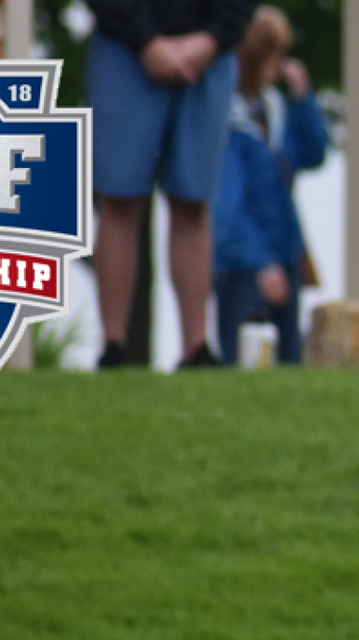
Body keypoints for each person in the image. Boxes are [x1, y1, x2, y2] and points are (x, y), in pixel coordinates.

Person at [85, 0, 254, 370]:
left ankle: (196, 347)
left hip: (211, 53)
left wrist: (210, 40)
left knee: (193, 200)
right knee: (119, 199)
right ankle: (113, 345)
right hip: (124, 48)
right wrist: (146, 41)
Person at [211, 5, 329, 366]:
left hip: (285, 254)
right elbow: (226, 209)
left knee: (288, 357)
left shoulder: (274, 111)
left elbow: (312, 153)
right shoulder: (228, 124)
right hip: (245, 266)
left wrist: (304, 99)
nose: (281, 65)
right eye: (275, 56)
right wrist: (260, 263)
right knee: (246, 356)